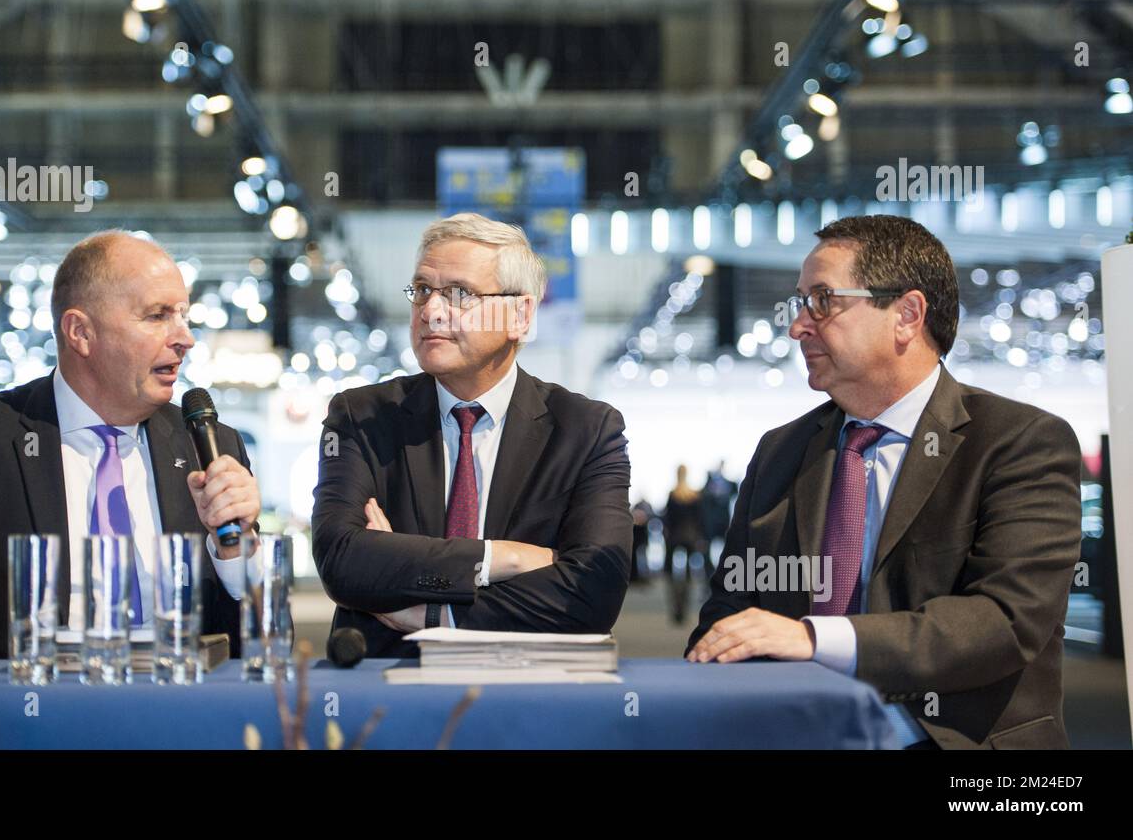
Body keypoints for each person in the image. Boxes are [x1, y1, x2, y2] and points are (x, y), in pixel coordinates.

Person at [685, 215, 1081, 749]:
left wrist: (813, 637)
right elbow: (731, 610)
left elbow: (1005, 622)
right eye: (800, 302)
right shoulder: (781, 452)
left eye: (822, 300)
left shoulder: (1019, 443)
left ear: (907, 315)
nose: (798, 325)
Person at [0, 231, 260, 665]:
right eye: (157, 316)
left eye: (183, 315)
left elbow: (258, 647)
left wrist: (232, 554)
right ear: (80, 332)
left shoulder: (212, 448)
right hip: (22, 723)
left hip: (177, 722)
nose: (184, 337)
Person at [312, 213, 633, 658]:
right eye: (422, 290)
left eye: (459, 294)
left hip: (532, 688)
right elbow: (342, 561)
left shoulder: (586, 430)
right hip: (386, 688)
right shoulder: (363, 416)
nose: (431, 310)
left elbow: (592, 592)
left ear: (520, 315)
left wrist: (433, 616)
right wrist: (506, 558)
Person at [662, 466, 704, 623]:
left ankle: (676, 607)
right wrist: (700, 539)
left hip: (674, 538)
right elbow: (700, 520)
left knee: (671, 575)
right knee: (688, 575)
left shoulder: (673, 495)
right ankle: (684, 607)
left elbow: (667, 519)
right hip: (690, 538)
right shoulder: (695, 496)